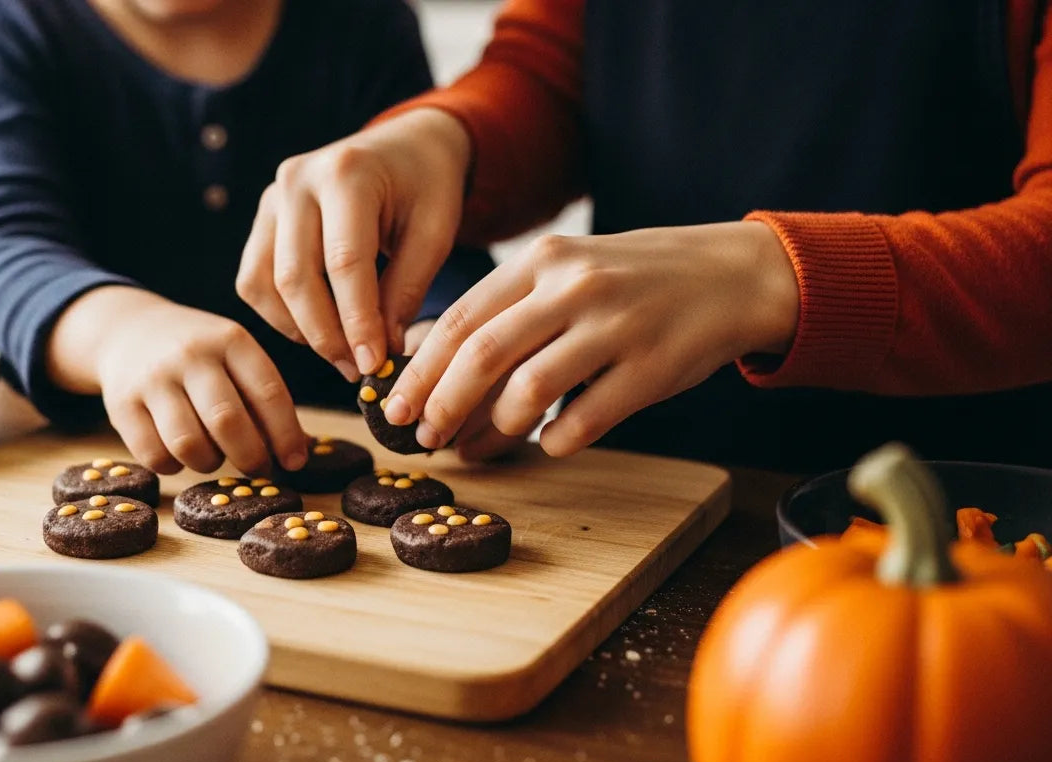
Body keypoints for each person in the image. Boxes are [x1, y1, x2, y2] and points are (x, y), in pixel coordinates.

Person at [238, 0, 1052, 471]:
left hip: (968, 518)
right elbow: (558, 71)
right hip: (640, 489)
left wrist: (770, 278)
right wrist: (443, 137)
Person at [0, 0, 495, 475]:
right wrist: (118, 333)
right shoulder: (9, 27)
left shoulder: (363, 19)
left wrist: (445, 332)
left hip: (364, 440)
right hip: (107, 447)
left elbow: (429, 230)